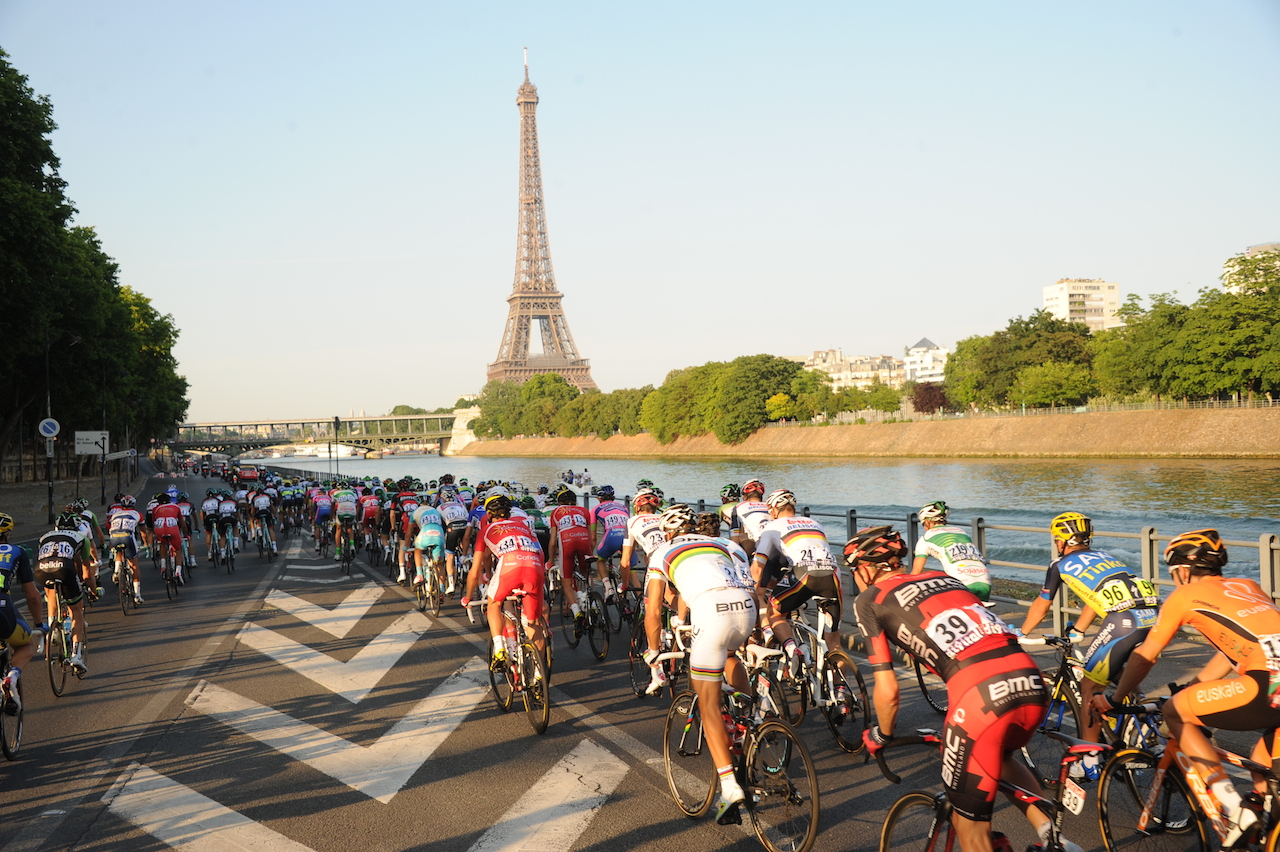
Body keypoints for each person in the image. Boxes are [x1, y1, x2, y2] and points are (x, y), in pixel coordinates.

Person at [848, 526, 1080, 852]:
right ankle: (1052, 836)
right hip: (1031, 680)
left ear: (867, 567)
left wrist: (881, 735)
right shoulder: (948, 579)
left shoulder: (870, 599)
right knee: (999, 756)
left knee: (973, 833)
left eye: (854, 571)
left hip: (980, 697)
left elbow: (888, 690)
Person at [1094, 529, 1277, 847]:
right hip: (1271, 683)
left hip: (1266, 685)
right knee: (1263, 775)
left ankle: (1233, 808)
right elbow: (1233, 651)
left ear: (1183, 569)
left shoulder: (1183, 596)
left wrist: (1116, 697)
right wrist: (1196, 688)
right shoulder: (1250, 587)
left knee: (1174, 711)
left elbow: (1145, 656)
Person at [1019, 511, 1158, 778]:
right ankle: (1142, 720)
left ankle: (1089, 758)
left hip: (1124, 620)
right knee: (1116, 669)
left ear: (1062, 541)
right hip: (1152, 616)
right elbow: (1095, 598)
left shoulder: (1059, 564)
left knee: (1089, 685)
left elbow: (1042, 605)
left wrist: (1021, 633)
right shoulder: (1105, 557)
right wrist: (1079, 630)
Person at [643, 503, 755, 825]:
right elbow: (745, 583)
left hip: (710, 609)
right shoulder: (726, 544)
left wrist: (653, 655)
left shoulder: (662, 551)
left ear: (667, 531)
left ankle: (729, 788)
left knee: (708, 705)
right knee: (730, 656)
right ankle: (748, 722)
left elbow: (653, 612)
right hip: (746, 607)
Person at [753, 489, 843, 676]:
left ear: (774, 509)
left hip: (804, 573)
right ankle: (841, 694)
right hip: (833, 574)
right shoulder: (815, 523)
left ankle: (793, 649)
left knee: (775, 612)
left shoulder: (772, 527)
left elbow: (758, 566)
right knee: (834, 641)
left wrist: (751, 589)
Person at [476, 494, 547, 668]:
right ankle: (539, 674)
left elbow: (480, 565)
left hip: (509, 568)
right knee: (533, 624)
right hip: (535, 567)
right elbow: (540, 552)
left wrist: (469, 595)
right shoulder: (523, 525)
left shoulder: (486, 528)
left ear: (489, 514)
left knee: (494, 603)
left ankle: (500, 648)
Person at [36, 512, 95, 675]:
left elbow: (44, 556)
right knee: (76, 611)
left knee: (50, 593)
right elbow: (86, 572)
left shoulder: (45, 536)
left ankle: (53, 630)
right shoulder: (81, 538)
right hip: (64, 569)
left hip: (42, 569)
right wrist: (93, 589)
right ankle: (76, 655)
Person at [0, 513, 44, 715]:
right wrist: (39, 624)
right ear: (7, 535)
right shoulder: (16, 551)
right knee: (26, 645)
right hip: (3, 608)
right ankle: (11, 678)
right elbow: (32, 596)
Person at [912, 500, 992, 601]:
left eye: (923, 524)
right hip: (984, 578)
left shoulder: (926, 538)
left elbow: (916, 573)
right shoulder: (962, 532)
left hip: (960, 580)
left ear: (927, 522)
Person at [547, 488, 593, 630]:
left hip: (567, 543)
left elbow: (553, 541)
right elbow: (591, 537)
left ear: (559, 502)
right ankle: (591, 603)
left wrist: (550, 560)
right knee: (587, 574)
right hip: (585, 541)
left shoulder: (556, 512)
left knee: (566, 582)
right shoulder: (584, 511)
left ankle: (576, 612)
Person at [589, 485, 629, 598]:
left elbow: (593, 537)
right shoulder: (624, 507)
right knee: (629, 566)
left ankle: (608, 588)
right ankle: (640, 602)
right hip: (627, 538)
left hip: (612, 536)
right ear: (614, 497)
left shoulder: (595, 509)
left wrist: (591, 553)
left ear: (599, 498)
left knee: (600, 560)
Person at [729, 479, 770, 558]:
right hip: (777, 546)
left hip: (757, 548)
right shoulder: (769, 506)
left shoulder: (738, 507)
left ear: (744, 497)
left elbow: (735, 538)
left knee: (742, 534)